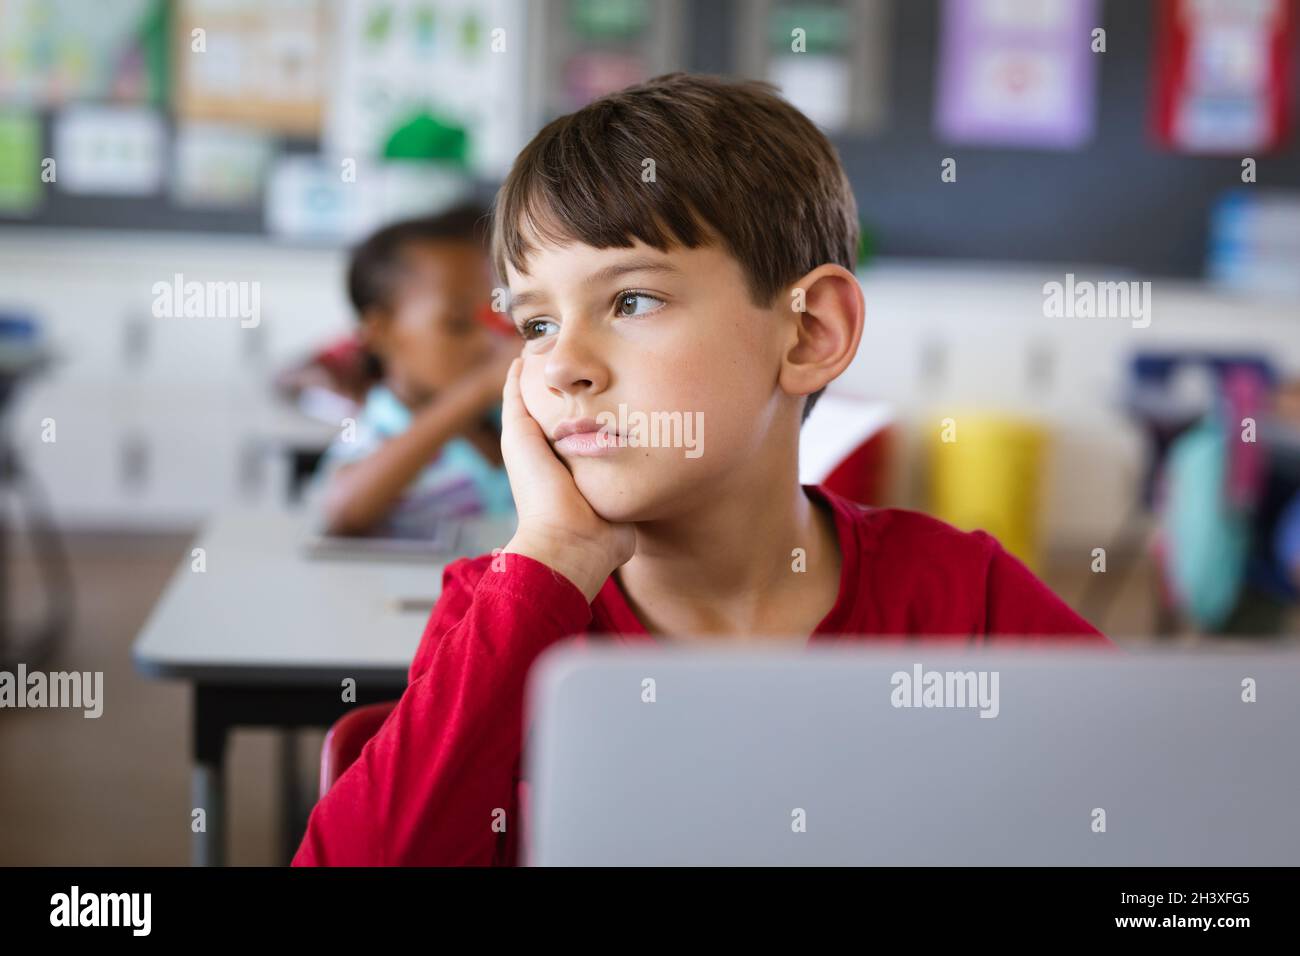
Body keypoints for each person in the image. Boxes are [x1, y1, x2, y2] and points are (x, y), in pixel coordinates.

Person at [295, 74, 1110, 866]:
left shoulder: (965, 597)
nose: (561, 365)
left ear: (808, 333)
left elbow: (1174, 809)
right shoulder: (501, 614)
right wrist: (552, 563)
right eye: (536, 322)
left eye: (631, 302)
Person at [309, 203, 518, 537]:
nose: (486, 342)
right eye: (459, 323)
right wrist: (475, 391)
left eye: (490, 319)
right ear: (382, 331)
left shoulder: (503, 419)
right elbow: (342, 510)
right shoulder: (376, 433)